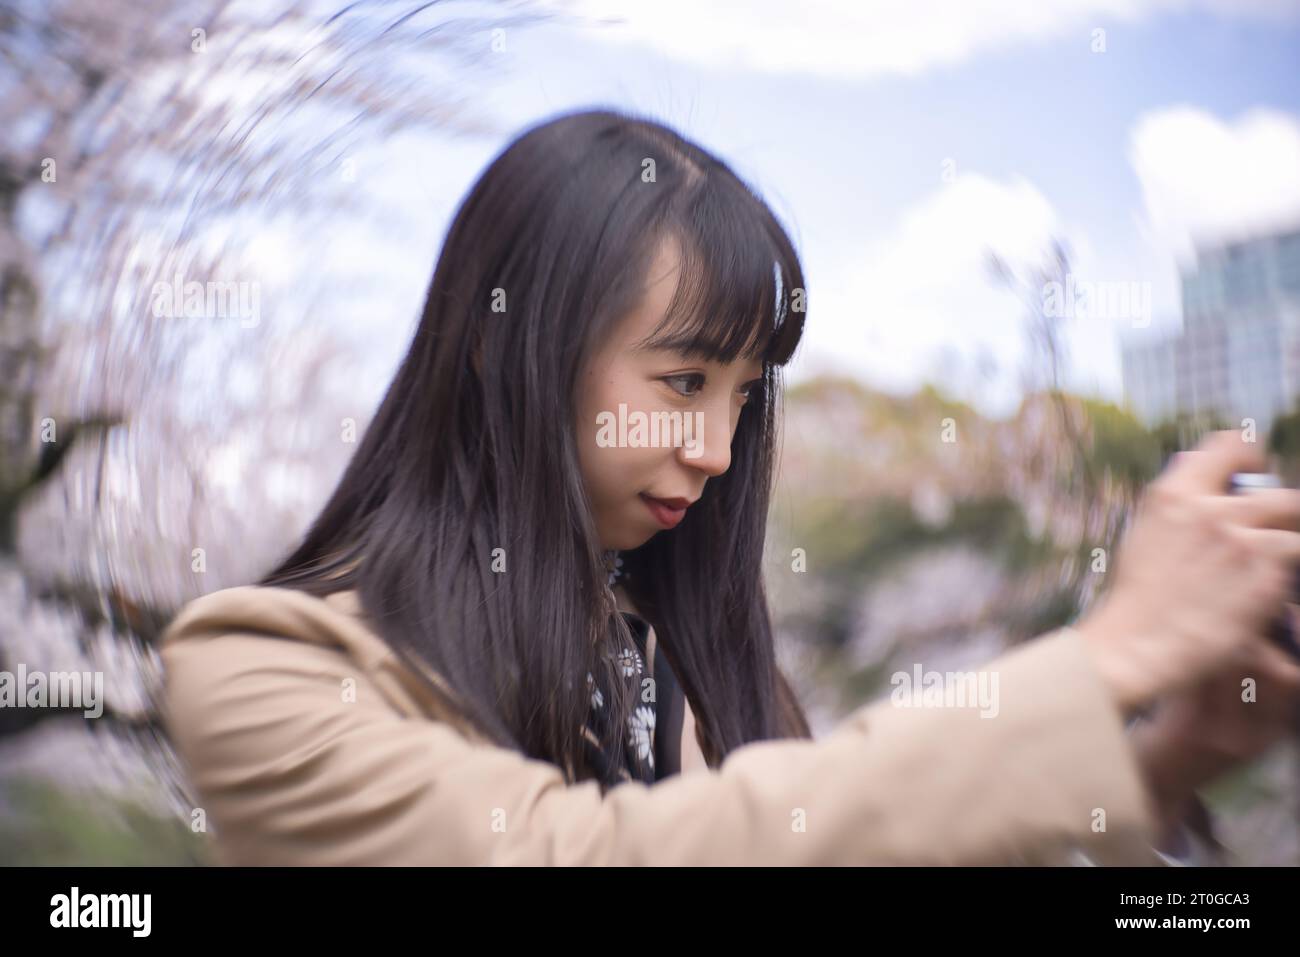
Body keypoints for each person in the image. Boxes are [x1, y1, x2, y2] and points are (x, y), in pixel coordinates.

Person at [159, 109, 1300, 866]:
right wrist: (1110, 655)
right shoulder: (262, 672)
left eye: (744, 396)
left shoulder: (684, 663)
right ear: (505, 347)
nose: (714, 448)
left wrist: (1163, 762)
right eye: (682, 379)